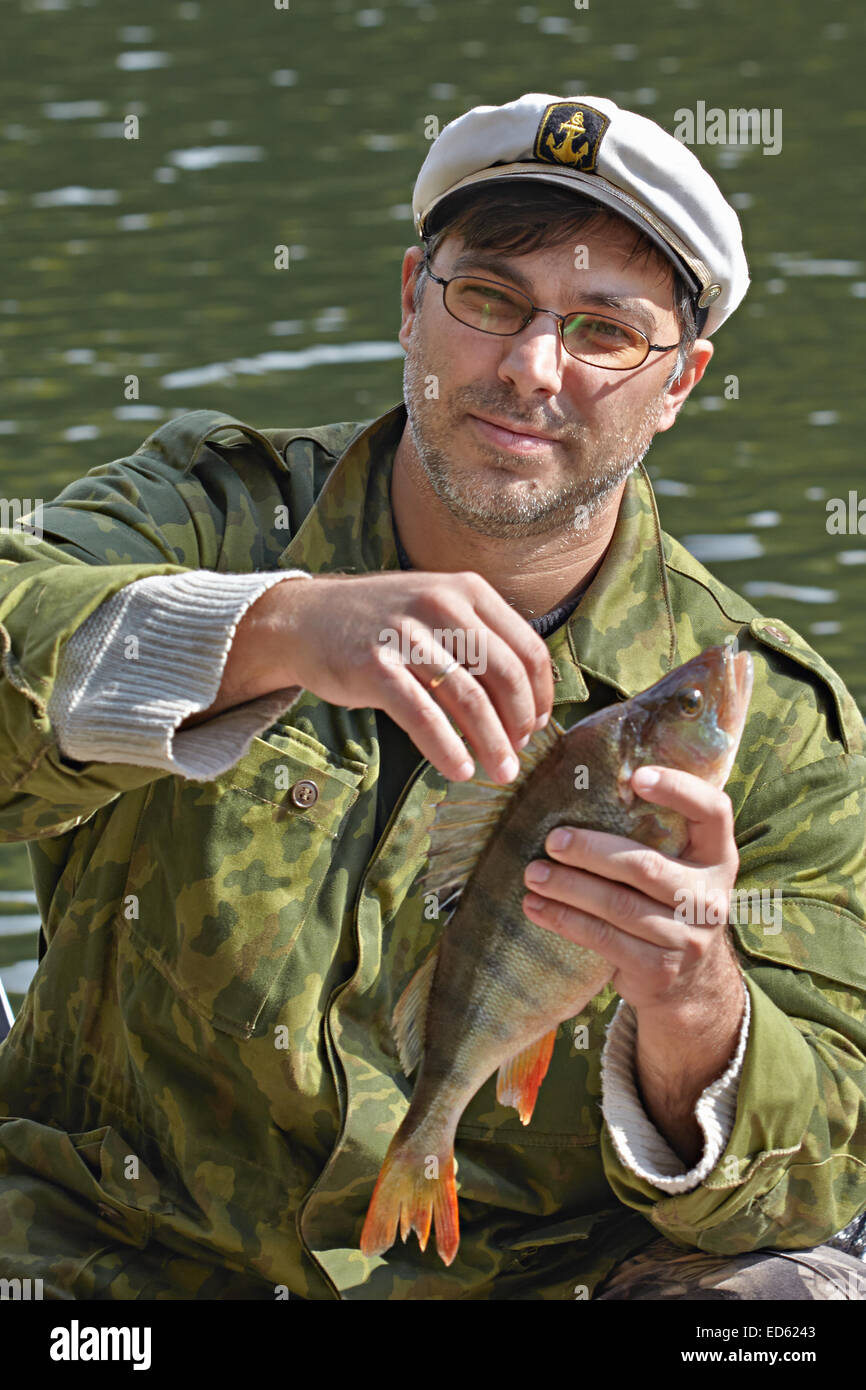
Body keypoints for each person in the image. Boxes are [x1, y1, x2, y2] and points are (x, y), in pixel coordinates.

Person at [0, 91, 864, 1302]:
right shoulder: (208, 517)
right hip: (111, 1267)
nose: (529, 367)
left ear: (679, 382)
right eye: (490, 300)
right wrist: (273, 626)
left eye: (604, 332)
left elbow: (818, 1170)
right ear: (413, 298)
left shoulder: (769, 727)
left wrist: (690, 1002)